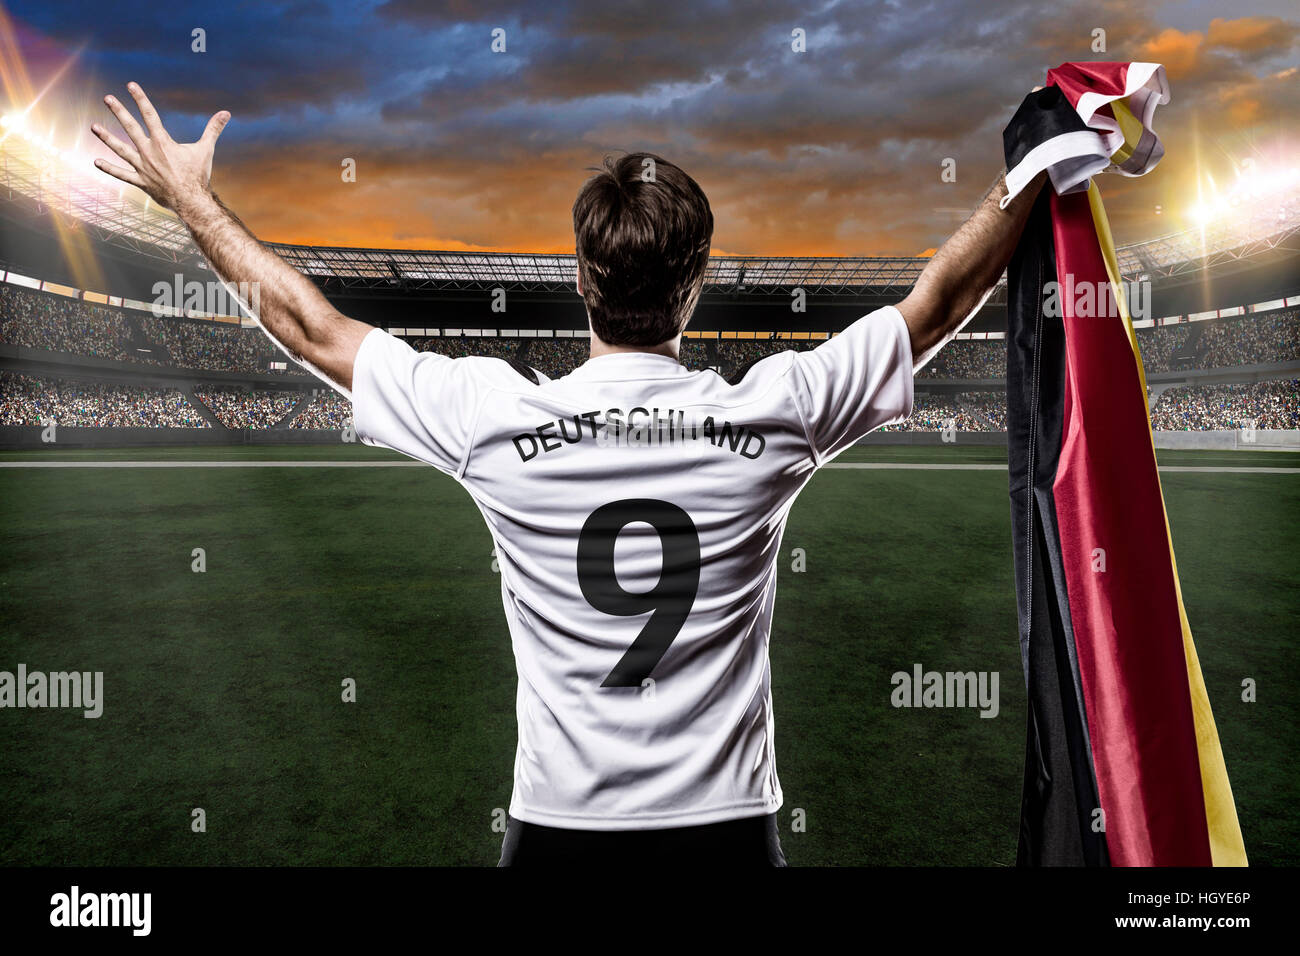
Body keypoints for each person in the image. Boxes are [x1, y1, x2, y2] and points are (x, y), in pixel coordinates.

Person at [92, 83, 1045, 866]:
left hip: (557, 834)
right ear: (700, 279)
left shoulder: (495, 421)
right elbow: (942, 298)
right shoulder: (777, 409)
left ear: (579, 278)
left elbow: (311, 329)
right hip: (730, 832)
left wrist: (190, 200)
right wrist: (1037, 162)